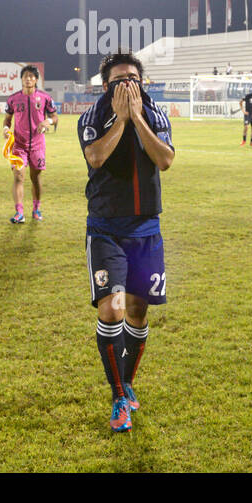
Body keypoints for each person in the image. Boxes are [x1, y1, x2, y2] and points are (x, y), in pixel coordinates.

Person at [78, 53, 175, 433]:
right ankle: (119, 396)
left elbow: (165, 160)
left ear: (142, 82)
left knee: (137, 311)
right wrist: (121, 119)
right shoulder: (92, 117)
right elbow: (96, 156)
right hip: (105, 229)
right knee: (112, 308)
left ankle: (128, 382)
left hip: (147, 229)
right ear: (105, 87)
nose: (127, 86)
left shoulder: (156, 114)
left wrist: (137, 118)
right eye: (119, 81)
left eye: (133, 79)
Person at [3, 65, 58, 224]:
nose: (28, 79)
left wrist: (47, 121)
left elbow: (55, 117)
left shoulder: (45, 98)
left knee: (35, 177)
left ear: (36, 80)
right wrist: (6, 129)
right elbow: (7, 119)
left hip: (37, 145)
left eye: (31, 76)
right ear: (21, 79)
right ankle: (19, 212)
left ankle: (36, 209)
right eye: (25, 76)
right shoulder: (13, 99)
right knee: (18, 176)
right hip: (18, 145)